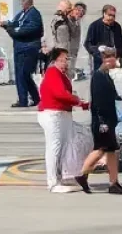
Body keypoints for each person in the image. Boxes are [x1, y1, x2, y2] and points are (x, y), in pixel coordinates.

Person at [76, 46, 122, 195]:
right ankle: (82, 174)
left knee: (111, 150)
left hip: (108, 120)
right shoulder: (99, 77)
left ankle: (114, 183)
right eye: (113, 58)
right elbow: (99, 101)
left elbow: (111, 96)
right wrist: (103, 122)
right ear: (107, 60)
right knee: (101, 149)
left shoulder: (106, 75)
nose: (116, 60)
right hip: (102, 121)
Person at [37, 47, 87, 193]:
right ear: (56, 60)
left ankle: (60, 177)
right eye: (65, 59)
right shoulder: (53, 72)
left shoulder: (61, 74)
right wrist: (78, 101)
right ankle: (52, 182)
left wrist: (77, 102)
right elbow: (60, 93)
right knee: (55, 147)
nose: (67, 62)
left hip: (62, 114)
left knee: (63, 147)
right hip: (53, 114)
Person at [2, 0, 43, 107]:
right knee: (21, 75)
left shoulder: (34, 14)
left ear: (29, 2)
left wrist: (12, 31)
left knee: (24, 74)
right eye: (21, 1)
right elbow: (16, 23)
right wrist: (7, 25)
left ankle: (26, 99)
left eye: (24, 1)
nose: (22, 4)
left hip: (28, 48)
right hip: (20, 47)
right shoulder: (22, 13)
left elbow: (28, 29)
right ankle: (28, 98)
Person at [84, 4, 122, 72]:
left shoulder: (117, 26)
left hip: (113, 59)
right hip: (99, 60)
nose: (111, 18)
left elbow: (121, 45)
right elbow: (87, 44)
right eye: (109, 15)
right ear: (104, 14)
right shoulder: (94, 26)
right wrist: (98, 52)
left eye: (113, 16)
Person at [70, 3, 88, 81]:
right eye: (78, 10)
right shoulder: (68, 21)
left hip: (74, 49)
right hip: (67, 50)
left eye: (82, 12)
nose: (80, 13)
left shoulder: (77, 21)